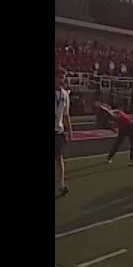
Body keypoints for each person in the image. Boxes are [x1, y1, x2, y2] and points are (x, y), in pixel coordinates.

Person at [55, 67, 72, 197]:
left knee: (59, 157)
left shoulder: (65, 94)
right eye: (59, 77)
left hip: (58, 131)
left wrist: (70, 130)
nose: (61, 80)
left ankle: (61, 185)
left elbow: (66, 114)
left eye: (63, 77)